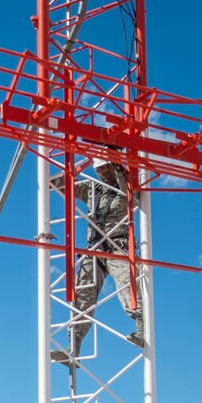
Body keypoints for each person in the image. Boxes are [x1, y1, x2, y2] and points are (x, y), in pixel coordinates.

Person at [49, 157, 144, 367]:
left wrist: (120, 169)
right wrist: (75, 168)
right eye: (100, 170)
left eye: (107, 169)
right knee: (82, 297)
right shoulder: (93, 188)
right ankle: (73, 348)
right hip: (94, 249)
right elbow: (56, 185)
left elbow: (135, 197)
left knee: (130, 287)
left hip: (118, 246)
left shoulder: (128, 186)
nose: (104, 174)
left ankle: (142, 329)